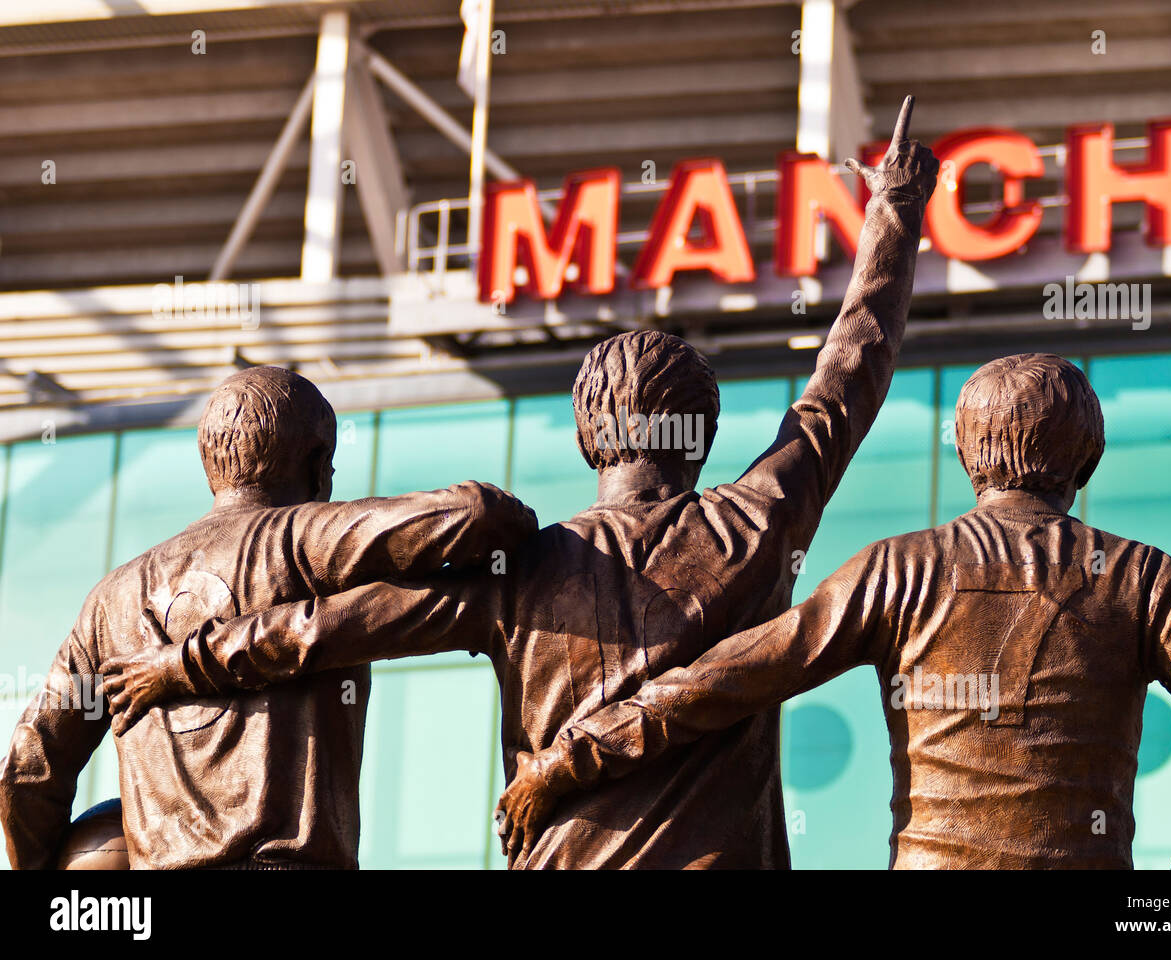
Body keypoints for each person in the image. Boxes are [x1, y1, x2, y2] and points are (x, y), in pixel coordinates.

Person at [100, 98, 940, 869]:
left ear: (586, 437)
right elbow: (850, 371)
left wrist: (182, 664)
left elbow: (325, 628)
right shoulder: (756, 525)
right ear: (704, 435)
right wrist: (894, 208)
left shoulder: (523, 569)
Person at [494, 353, 1171, 870]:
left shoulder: (899, 570)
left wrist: (566, 760)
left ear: (968, 456)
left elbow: (719, 681)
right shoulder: (1140, 577)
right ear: (1086, 459)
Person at [0, 366, 536, 869]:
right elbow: (478, 515)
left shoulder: (110, 600)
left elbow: (26, 769)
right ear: (314, 463)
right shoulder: (306, 537)